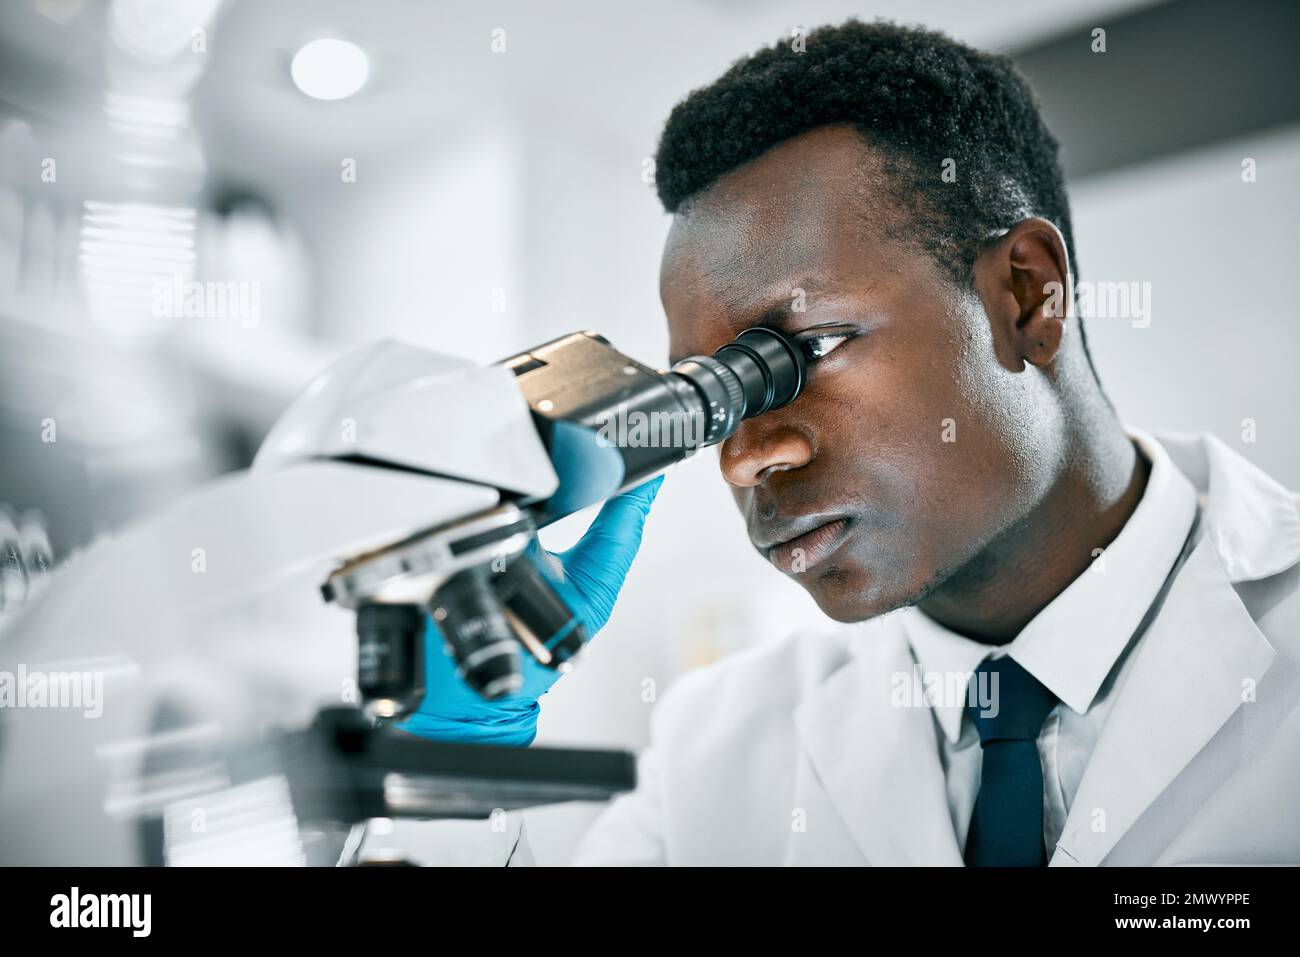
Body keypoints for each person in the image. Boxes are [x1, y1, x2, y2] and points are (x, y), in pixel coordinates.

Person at [404, 19, 1300, 866]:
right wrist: (446, 777)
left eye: (809, 347)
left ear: (1027, 296)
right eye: (711, 396)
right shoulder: (714, 749)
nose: (744, 456)